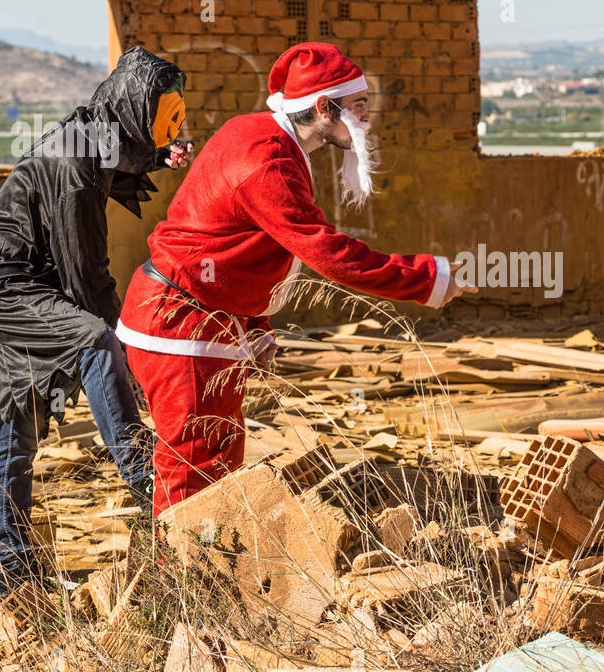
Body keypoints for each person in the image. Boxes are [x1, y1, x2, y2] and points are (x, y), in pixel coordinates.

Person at [117, 42, 473, 516]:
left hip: (195, 313)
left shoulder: (256, 134)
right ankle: (179, 583)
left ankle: (201, 579)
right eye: (359, 106)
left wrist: (255, 324)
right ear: (325, 107)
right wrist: (428, 279)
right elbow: (325, 252)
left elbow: (233, 247)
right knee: (195, 471)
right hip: (181, 321)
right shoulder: (267, 160)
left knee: (217, 458)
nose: (366, 117)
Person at [0, 46, 191, 596]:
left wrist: (160, 155)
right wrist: (134, 352)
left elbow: (122, 158)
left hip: (23, 283)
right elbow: (86, 278)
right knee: (95, 339)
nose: (167, 124)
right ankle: (149, 484)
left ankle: (13, 576)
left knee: (18, 420)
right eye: (160, 115)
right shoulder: (74, 164)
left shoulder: (95, 136)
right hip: (1, 285)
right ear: (131, 107)